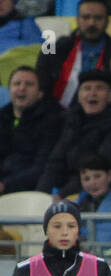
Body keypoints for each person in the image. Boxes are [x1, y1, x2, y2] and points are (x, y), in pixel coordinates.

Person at [0, 65, 62, 194]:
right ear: (9, 90)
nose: (22, 88)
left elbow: (43, 165)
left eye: (29, 84)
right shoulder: (3, 116)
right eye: (17, 83)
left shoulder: (52, 120)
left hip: (30, 192)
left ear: (40, 93)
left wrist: (5, 186)